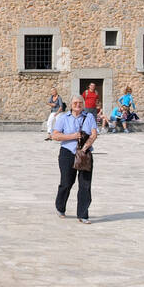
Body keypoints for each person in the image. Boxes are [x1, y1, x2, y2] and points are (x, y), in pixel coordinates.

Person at [51, 95, 97, 224]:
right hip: (67, 153)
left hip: (85, 154)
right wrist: (72, 136)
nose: (78, 105)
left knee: (85, 185)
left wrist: (85, 148)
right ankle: (60, 206)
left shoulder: (89, 117)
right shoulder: (63, 118)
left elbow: (94, 134)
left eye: (80, 103)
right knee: (66, 182)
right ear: (71, 104)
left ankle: (83, 214)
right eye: (75, 102)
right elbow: (55, 135)